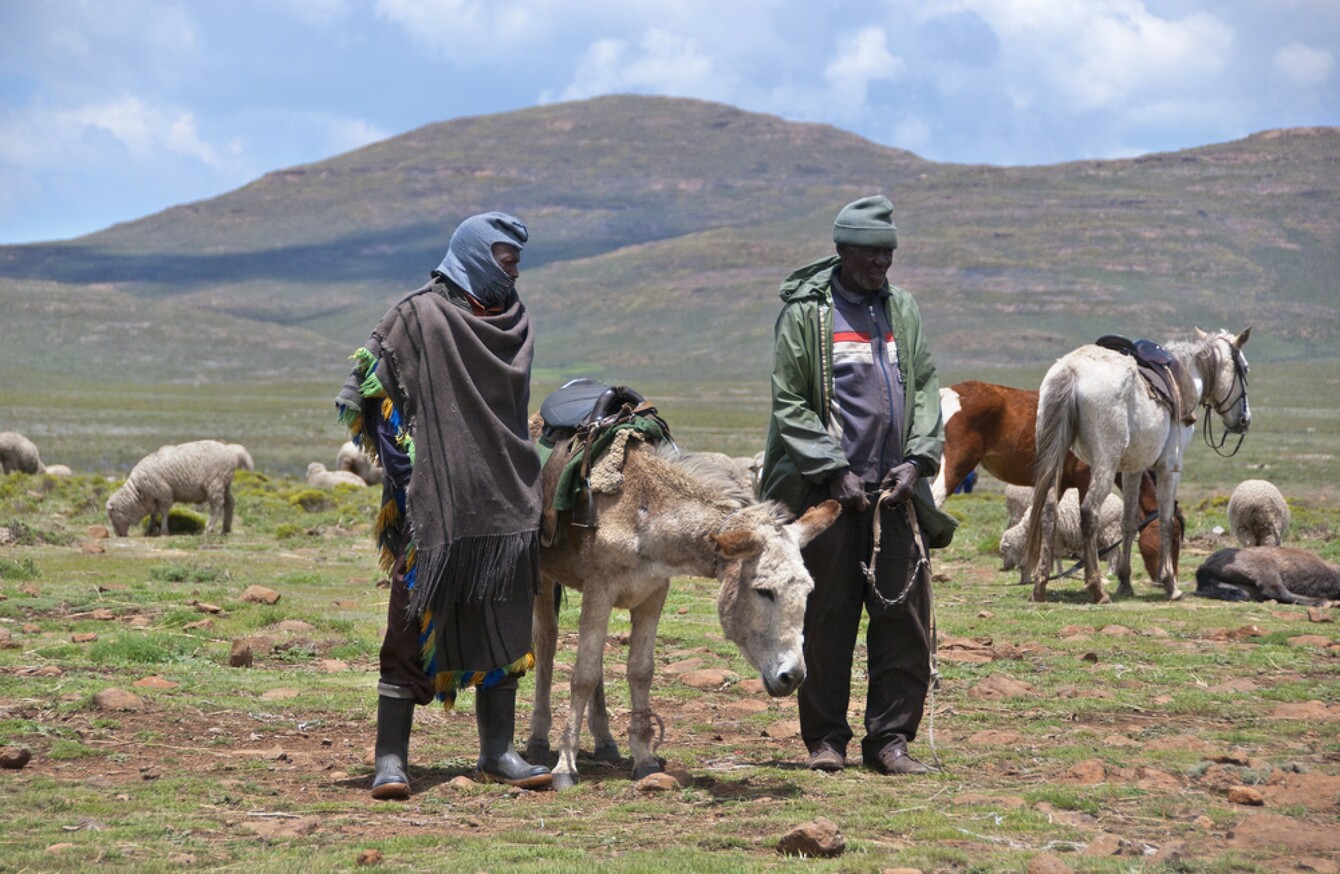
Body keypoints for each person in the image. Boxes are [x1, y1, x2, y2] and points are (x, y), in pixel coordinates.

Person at [336, 211, 551, 799]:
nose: (513, 272)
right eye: (506, 260)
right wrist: (405, 460)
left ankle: (498, 751)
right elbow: (367, 387)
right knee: (409, 622)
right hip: (431, 505)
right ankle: (390, 760)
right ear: (477, 256)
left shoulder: (516, 321)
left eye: (517, 263)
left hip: (504, 501)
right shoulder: (418, 315)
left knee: (506, 623)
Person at [759, 194, 955, 776]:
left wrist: (918, 460)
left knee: (903, 620)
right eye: (871, 253)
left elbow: (923, 385)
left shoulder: (904, 308)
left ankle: (891, 741)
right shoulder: (806, 314)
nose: (882, 264)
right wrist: (831, 467)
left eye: (889, 253)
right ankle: (826, 741)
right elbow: (790, 401)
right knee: (827, 619)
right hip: (831, 497)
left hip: (894, 493)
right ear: (843, 250)